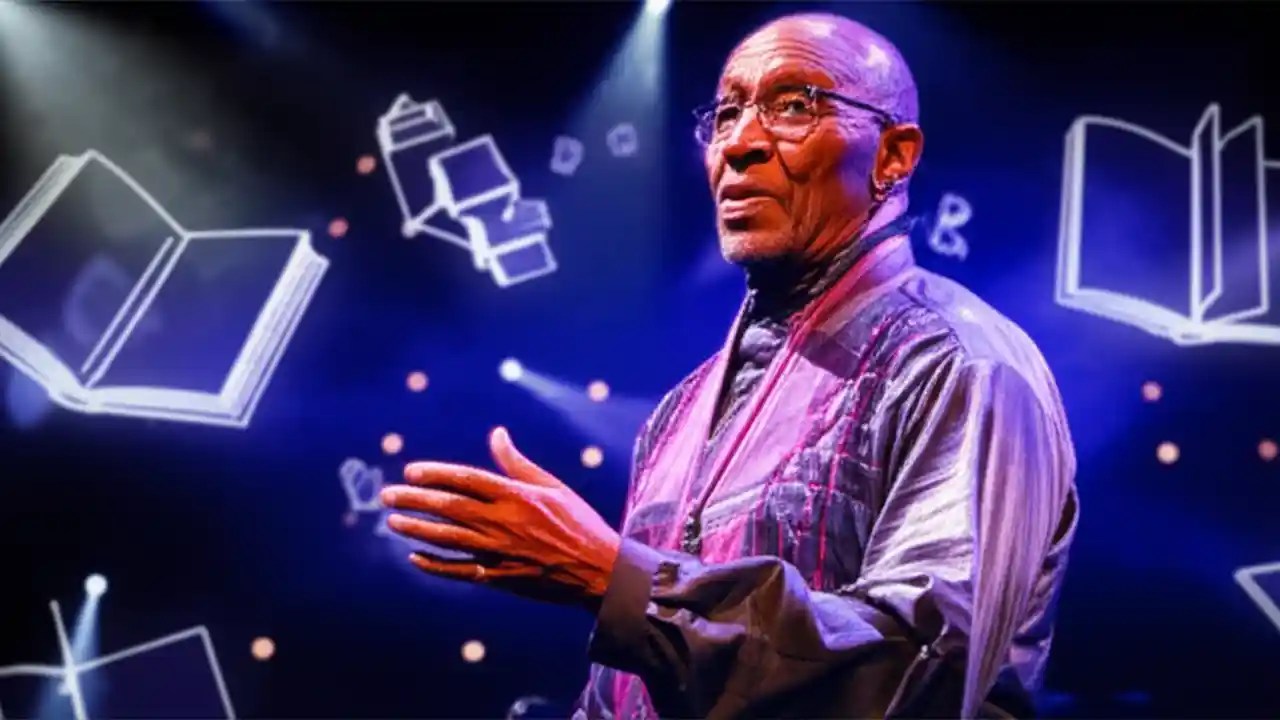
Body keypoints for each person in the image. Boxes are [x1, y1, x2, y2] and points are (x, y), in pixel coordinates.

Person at [380, 11, 1078, 719]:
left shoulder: (958, 363)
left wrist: (612, 579)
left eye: (794, 106)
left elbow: (915, 676)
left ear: (893, 156)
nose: (740, 144)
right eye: (725, 114)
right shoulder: (680, 413)